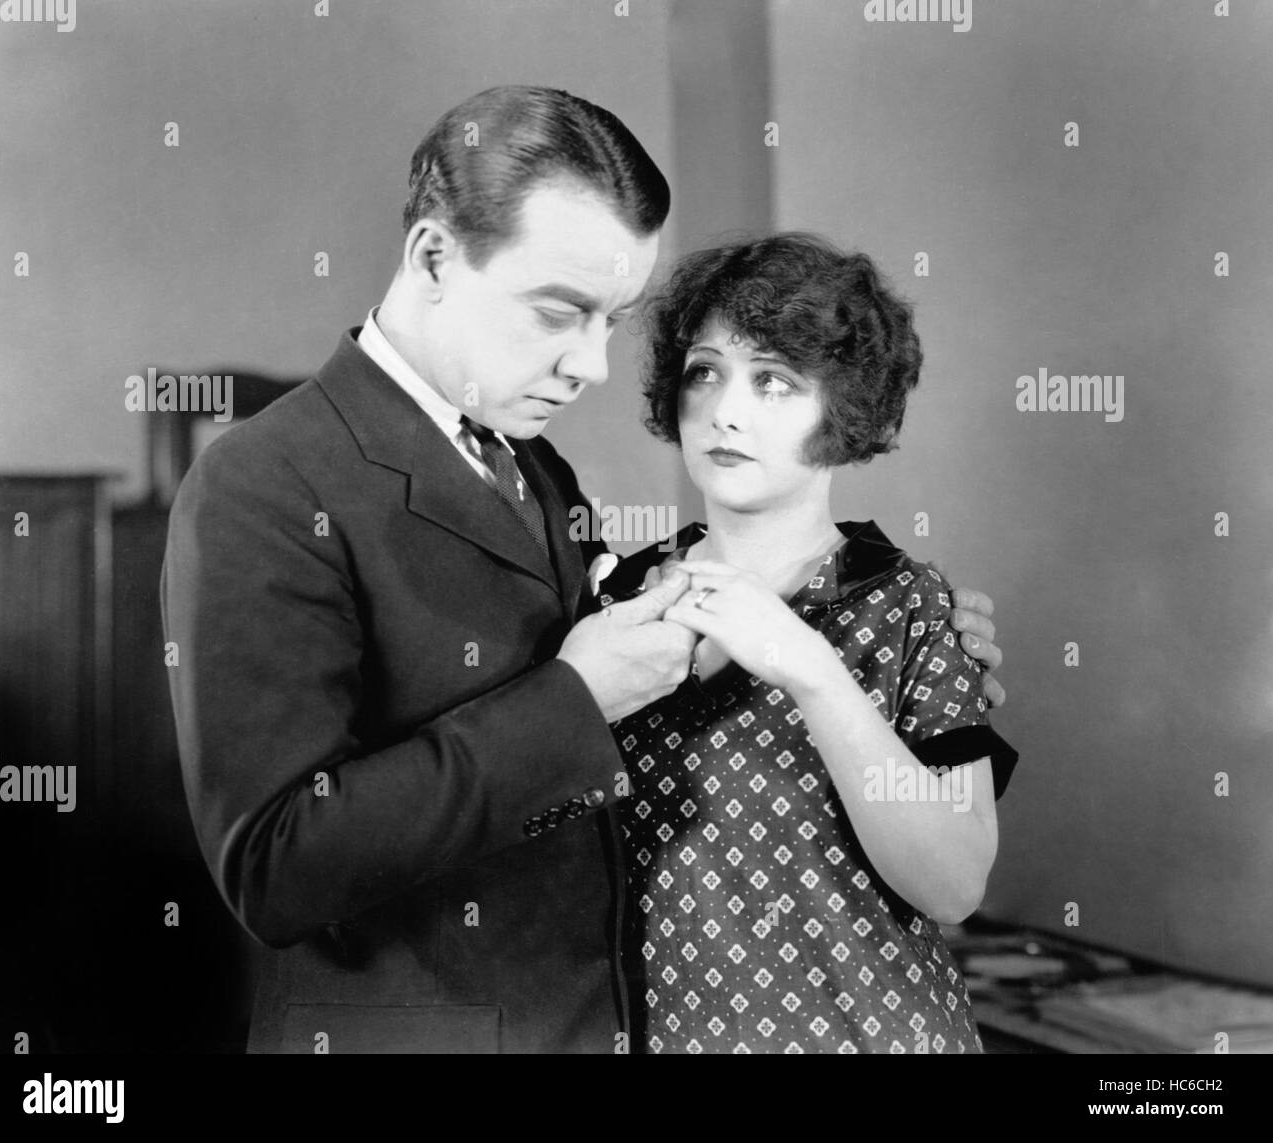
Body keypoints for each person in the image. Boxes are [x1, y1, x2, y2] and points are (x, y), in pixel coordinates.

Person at [161, 87, 1004, 1054]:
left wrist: (904, 638)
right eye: (560, 312)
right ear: (433, 258)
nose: (594, 365)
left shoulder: (533, 464)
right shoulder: (264, 478)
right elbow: (275, 866)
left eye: (614, 320)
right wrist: (579, 695)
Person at [599, 233, 1018, 1053]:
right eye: (705, 371)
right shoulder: (616, 598)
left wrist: (814, 669)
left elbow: (955, 882)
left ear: (846, 408)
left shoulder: (912, 604)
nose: (726, 410)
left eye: (774, 381)